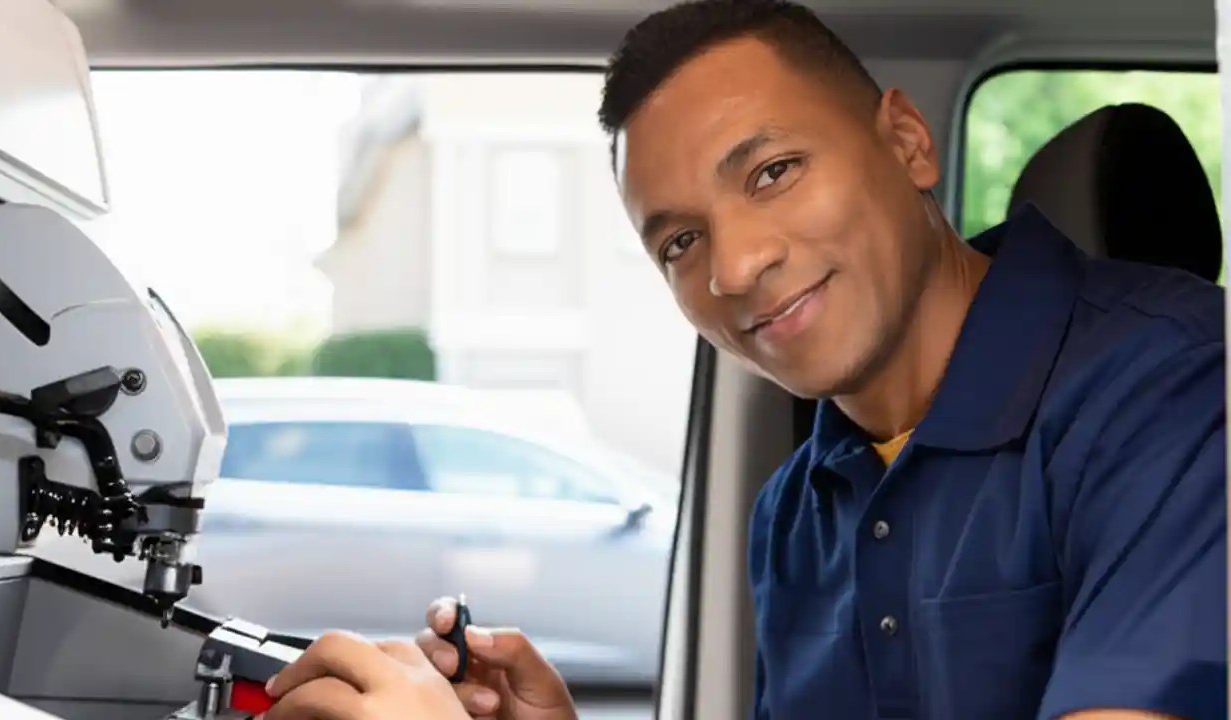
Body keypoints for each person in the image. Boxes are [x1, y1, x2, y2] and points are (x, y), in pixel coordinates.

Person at [257, 0, 1228, 718]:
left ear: (905, 141)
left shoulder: (1176, 387)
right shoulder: (792, 511)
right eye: (679, 243)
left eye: (771, 173)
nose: (734, 266)